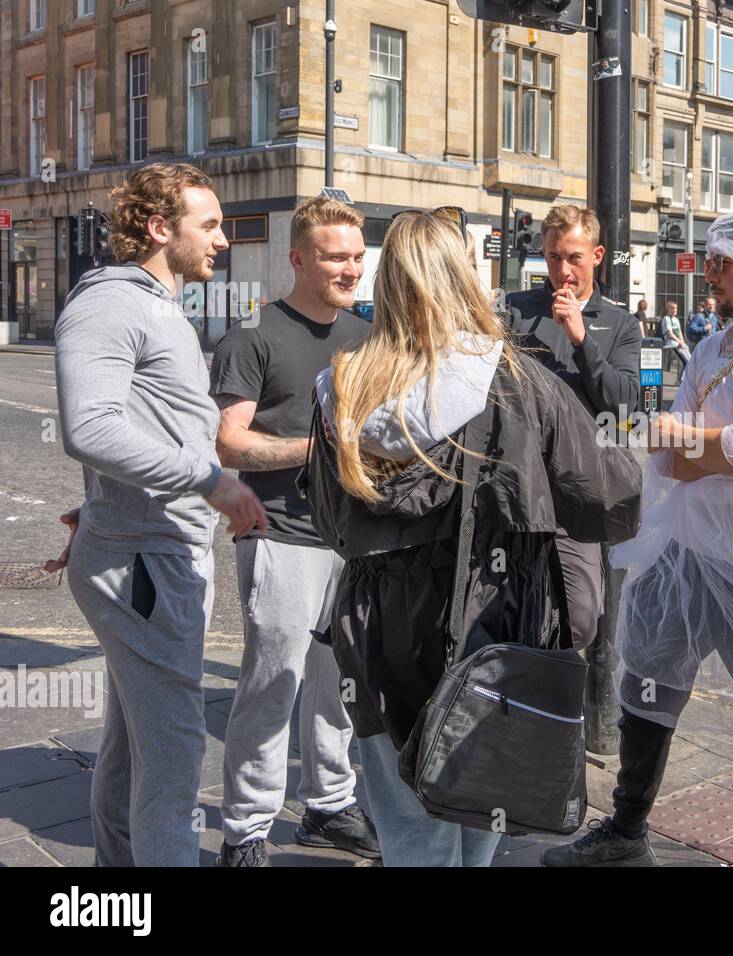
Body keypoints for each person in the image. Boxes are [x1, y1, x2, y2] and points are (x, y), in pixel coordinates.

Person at [303, 211, 641, 865]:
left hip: (378, 630)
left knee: (409, 833)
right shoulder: (520, 380)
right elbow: (613, 495)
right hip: (494, 620)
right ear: (465, 277)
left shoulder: (337, 385)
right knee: (482, 811)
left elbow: (327, 519)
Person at [541, 210, 733, 868]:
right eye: (708, 261)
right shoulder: (713, 345)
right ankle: (627, 830)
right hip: (683, 549)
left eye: (722, 262)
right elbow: (671, 458)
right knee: (649, 684)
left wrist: (694, 442)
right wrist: (699, 445)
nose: (708, 274)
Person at [49, 163, 268, 866]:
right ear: (157, 228)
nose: (223, 241)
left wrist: (99, 501)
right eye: (208, 225)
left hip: (148, 551)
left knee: (130, 748)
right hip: (144, 564)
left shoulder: (156, 304)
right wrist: (210, 479)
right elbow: (91, 427)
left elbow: (143, 424)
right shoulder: (112, 304)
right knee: (173, 761)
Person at [208, 197, 379, 867]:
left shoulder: (366, 339)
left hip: (351, 540)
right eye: (337, 256)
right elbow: (228, 442)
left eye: (359, 257)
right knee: (271, 684)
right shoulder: (254, 336)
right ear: (299, 258)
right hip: (278, 534)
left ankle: (329, 807)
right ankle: (246, 830)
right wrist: (318, 446)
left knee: (340, 686)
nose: (352, 269)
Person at [503, 206, 642, 652]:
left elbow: (622, 405)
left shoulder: (620, 324)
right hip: (517, 481)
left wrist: (583, 340)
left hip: (579, 487)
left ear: (597, 254)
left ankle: (556, 695)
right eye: (552, 257)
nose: (562, 270)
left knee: (580, 618)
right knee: (505, 606)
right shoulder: (515, 310)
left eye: (574, 257)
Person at [659, 301, 691, 379]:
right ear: (668, 309)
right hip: (672, 344)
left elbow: (679, 333)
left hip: (679, 343)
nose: (675, 310)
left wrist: (683, 342)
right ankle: (680, 379)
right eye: (672, 308)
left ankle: (682, 378)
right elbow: (670, 334)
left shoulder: (676, 320)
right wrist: (679, 342)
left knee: (689, 360)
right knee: (685, 361)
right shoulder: (666, 319)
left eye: (676, 308)